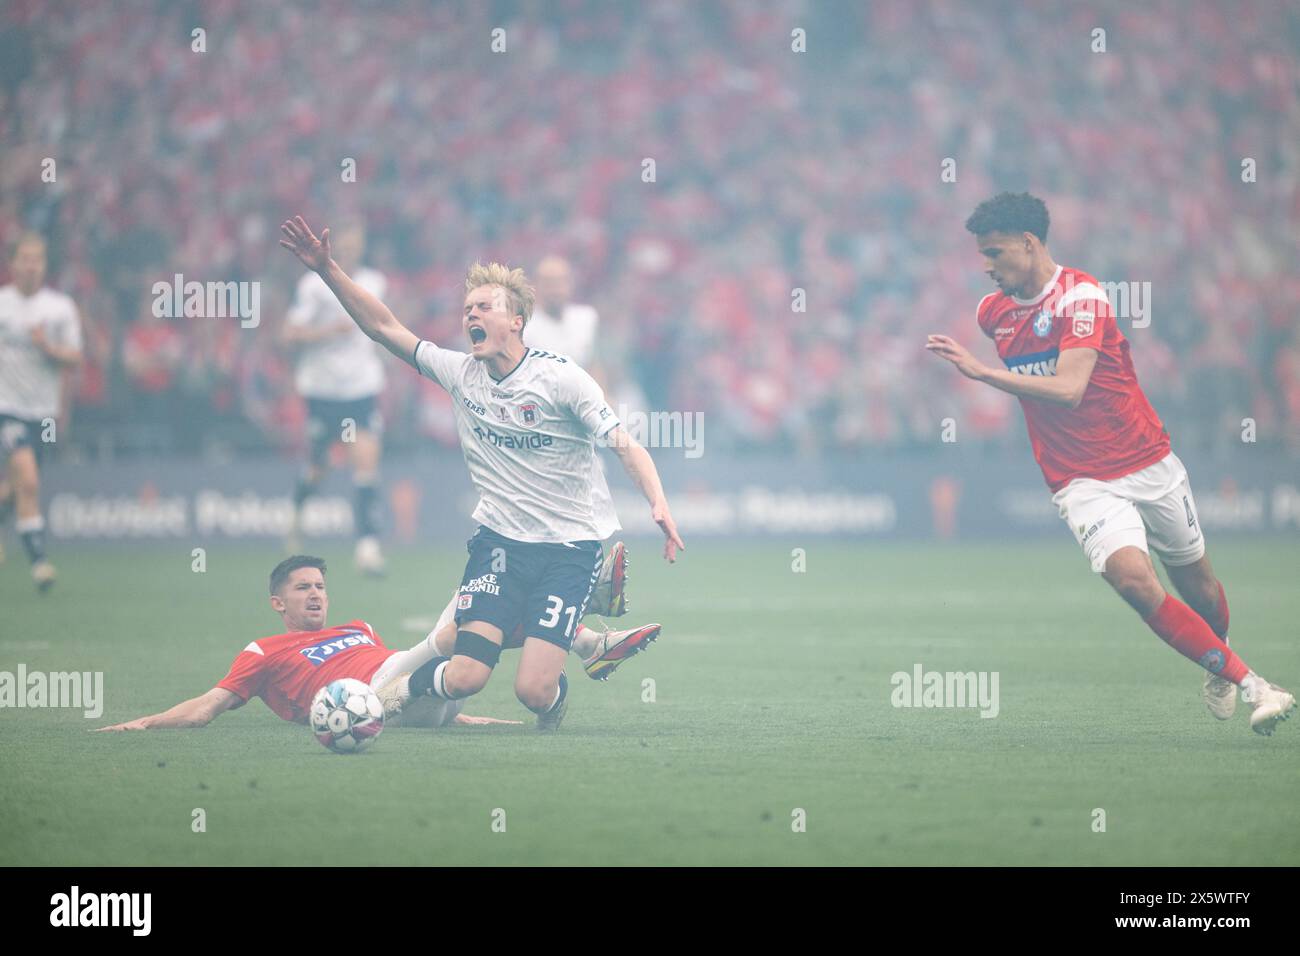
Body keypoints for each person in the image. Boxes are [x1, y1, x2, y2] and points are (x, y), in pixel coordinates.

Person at [278, 216, 684, 731]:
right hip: (500, 546)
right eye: (467, 308)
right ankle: (391, 699)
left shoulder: (562, 379)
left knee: (532, 692)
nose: (470, 313)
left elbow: (626, 444)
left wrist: (658, 502)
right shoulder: (459, 373)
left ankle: (562, 680)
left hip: (569, 548)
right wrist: (327, 270)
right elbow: (382, 327)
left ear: (515, 320)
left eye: (484, 306)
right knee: (466, 674)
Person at [926, 192, 1293, 736]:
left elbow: (1071, 389)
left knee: (1202, 590)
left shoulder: (1083, 297)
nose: (988, 267)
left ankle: (1219, 657)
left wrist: (983, 376)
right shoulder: (992, 314)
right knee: (1134, 581)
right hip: (1080, 479)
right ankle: (1255, 685)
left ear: (1029, 243)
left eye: (996, 253)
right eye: (983, 255)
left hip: (1146, 459)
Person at [280, 220, 389, 575]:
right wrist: (329, 332)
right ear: (333, 244)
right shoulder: (313, 285)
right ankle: (296, 518)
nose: (351, 247)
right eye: (345, 241)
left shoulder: (375, 282)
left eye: (357, 241)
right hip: (322, 389)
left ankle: (367, 546)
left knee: (366, 463)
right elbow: (289, 334)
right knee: (318, 466)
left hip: (361, 387)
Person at [0, 233, 84, 592]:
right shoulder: (2, 304)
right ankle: (39, 564)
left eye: (38, 258)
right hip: (7, 408)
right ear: (13, 263)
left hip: (43, 414)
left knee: (18, 485)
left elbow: (75, 357)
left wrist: (46, 347)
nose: (31, 265)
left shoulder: (59, 308)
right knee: (29, 480)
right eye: (25, 258)